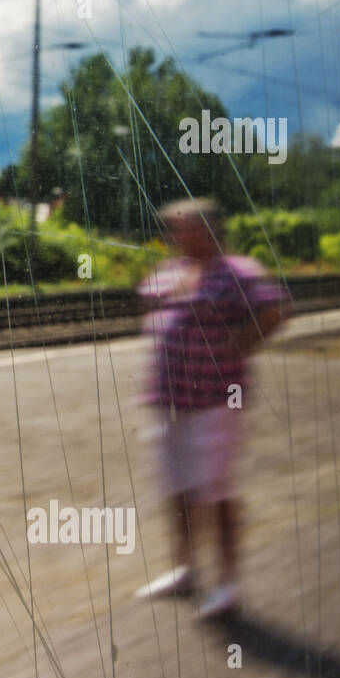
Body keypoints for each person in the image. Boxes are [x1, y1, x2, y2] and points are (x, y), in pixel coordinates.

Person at [136, 198, 287, 618]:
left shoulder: (237, 272)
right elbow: (151, 306)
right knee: (177, 487)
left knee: (214, 491)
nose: (175, 235)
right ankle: (185, 570)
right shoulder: (171, 271)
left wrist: (238, 345)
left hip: (216, 402)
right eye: (173, 228)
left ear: (209, 230)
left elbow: (275, 311)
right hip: (168, 400)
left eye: (183, 228)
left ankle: (226, 584)